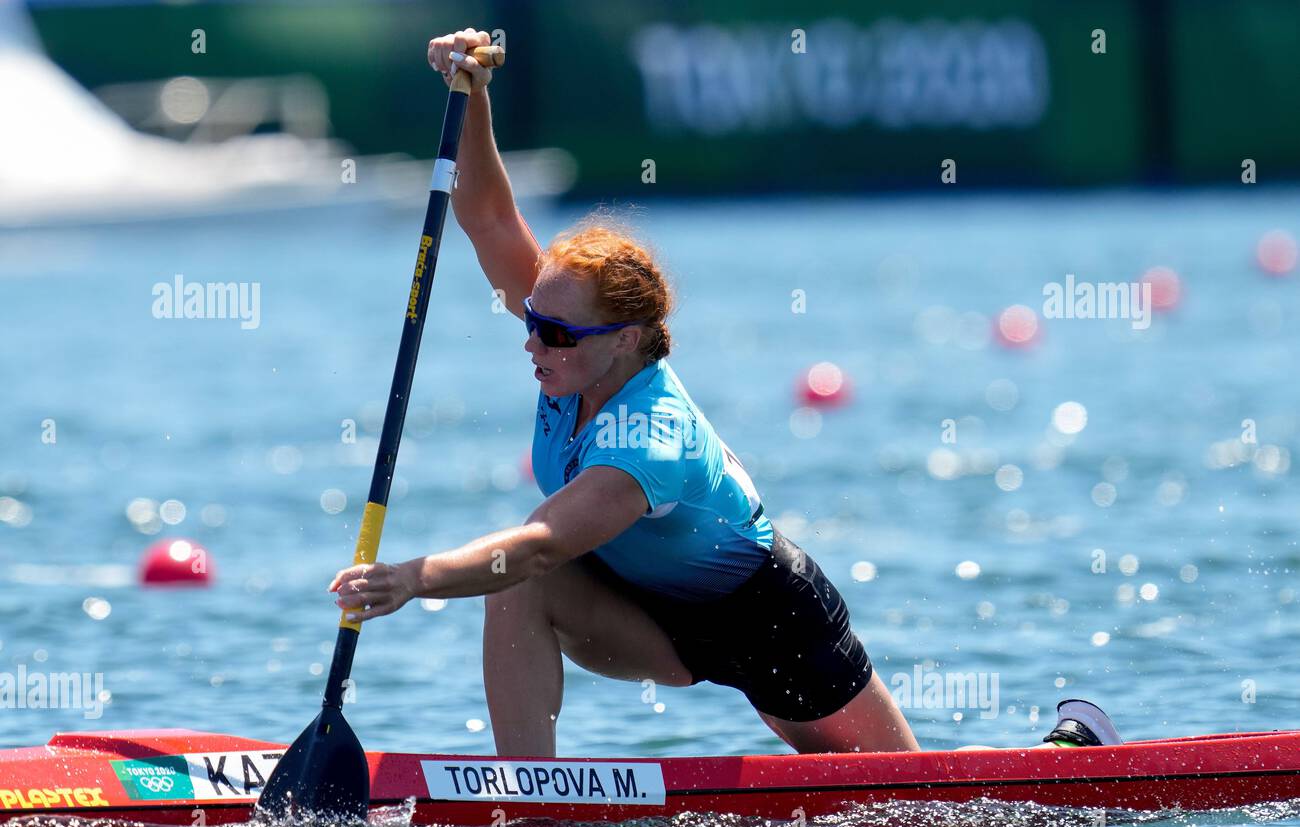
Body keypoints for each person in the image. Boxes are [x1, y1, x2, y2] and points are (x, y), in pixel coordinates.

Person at [330, 28, 1122, 760]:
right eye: (533, 322)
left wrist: (412, 578)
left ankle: (1072, 749)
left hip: (772, 618)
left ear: (628, 339)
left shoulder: (650, 435)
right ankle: (533, 801)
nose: (533, 341)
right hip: (656, 617)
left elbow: (541, 540)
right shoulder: (569, 349)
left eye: (556, 333)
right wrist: (471, 96)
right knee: (516, 588)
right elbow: (491, 217)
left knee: (910, 796)